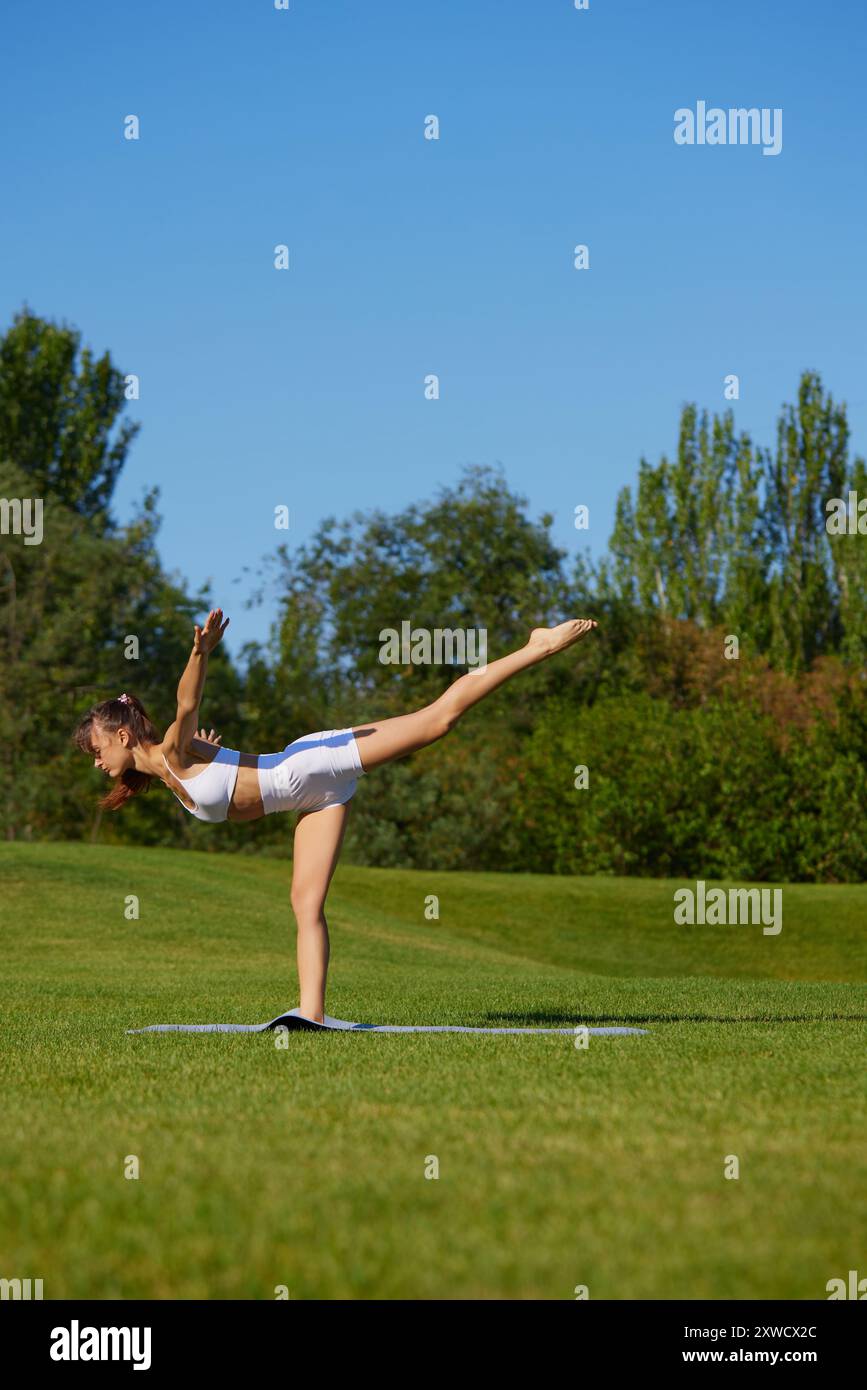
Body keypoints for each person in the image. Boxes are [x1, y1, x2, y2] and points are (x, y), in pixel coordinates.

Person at [74, 608, 598, 1022]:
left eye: (96, 749)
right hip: (313, 799)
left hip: (312, 763)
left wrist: (200, 653)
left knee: (437, 721)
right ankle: (313, 1014)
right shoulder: (173, 769)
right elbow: (235, 794)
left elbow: (186, 703)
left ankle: (537, 646)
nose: (97, 762)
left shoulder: (172, 751)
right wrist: (219, 757)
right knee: (305, 903)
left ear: (122, 735)